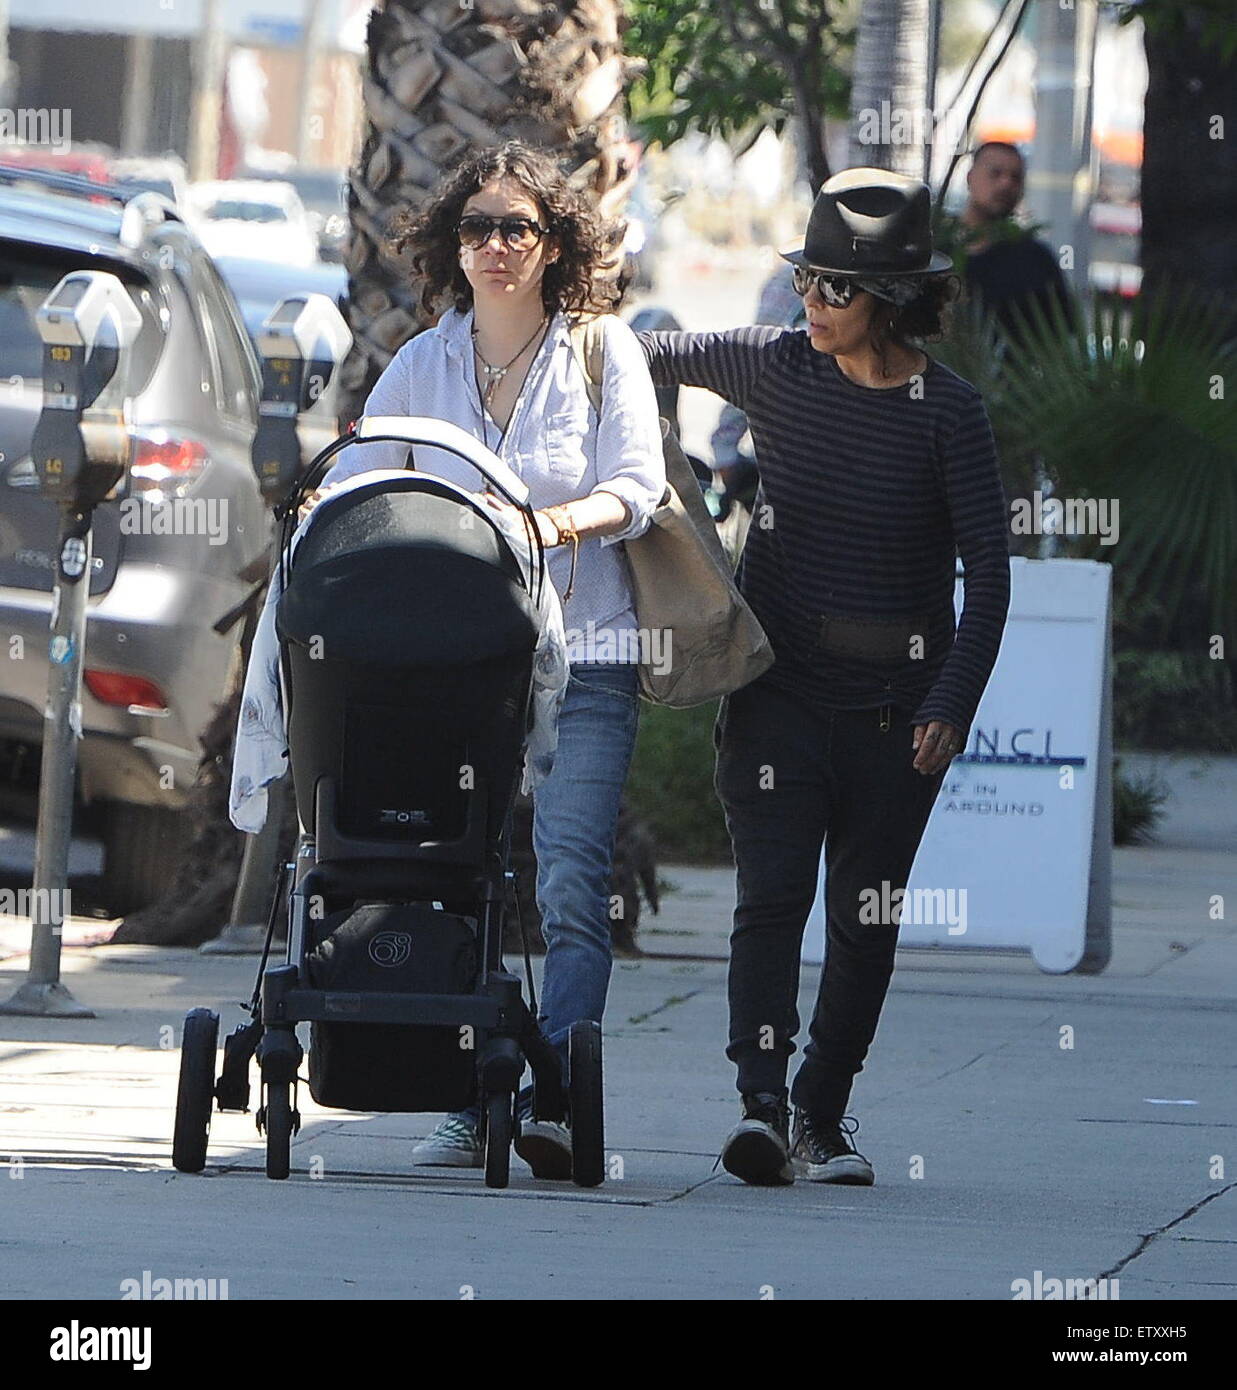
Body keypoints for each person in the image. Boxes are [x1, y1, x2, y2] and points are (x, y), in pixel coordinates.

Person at [637, 168, 1011, 1186]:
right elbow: (643, 351)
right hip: (781, 694)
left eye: (835, 290)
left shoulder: (949, 414)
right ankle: (759, 1107)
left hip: (900, 712)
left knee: (865, 918)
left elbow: (991, 574)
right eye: (805, 280)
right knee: (770, 899)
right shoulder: (776, 366)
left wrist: (951, 703)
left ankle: (822, 1113)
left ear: (889, 300)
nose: (813, 305)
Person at [305, 141, 666, 1178]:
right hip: (450, 669)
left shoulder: (603, 353)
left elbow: (635, 488)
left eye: (517, 227)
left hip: (583, 653)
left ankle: (555, 1091)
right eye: (477, 228)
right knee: (438, 868)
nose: (495, 245)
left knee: (568, 881)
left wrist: (545, 526)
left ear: (554, 245)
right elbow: (366, 491)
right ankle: (465, 1096)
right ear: (451, 247)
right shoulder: (423, 362)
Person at [941, 141, 1075, 339]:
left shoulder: (1037, 260)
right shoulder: (937, 249)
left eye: (1016, 178)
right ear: (970, 178)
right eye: (995, 173)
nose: (1006, 184)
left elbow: (1062, 332)